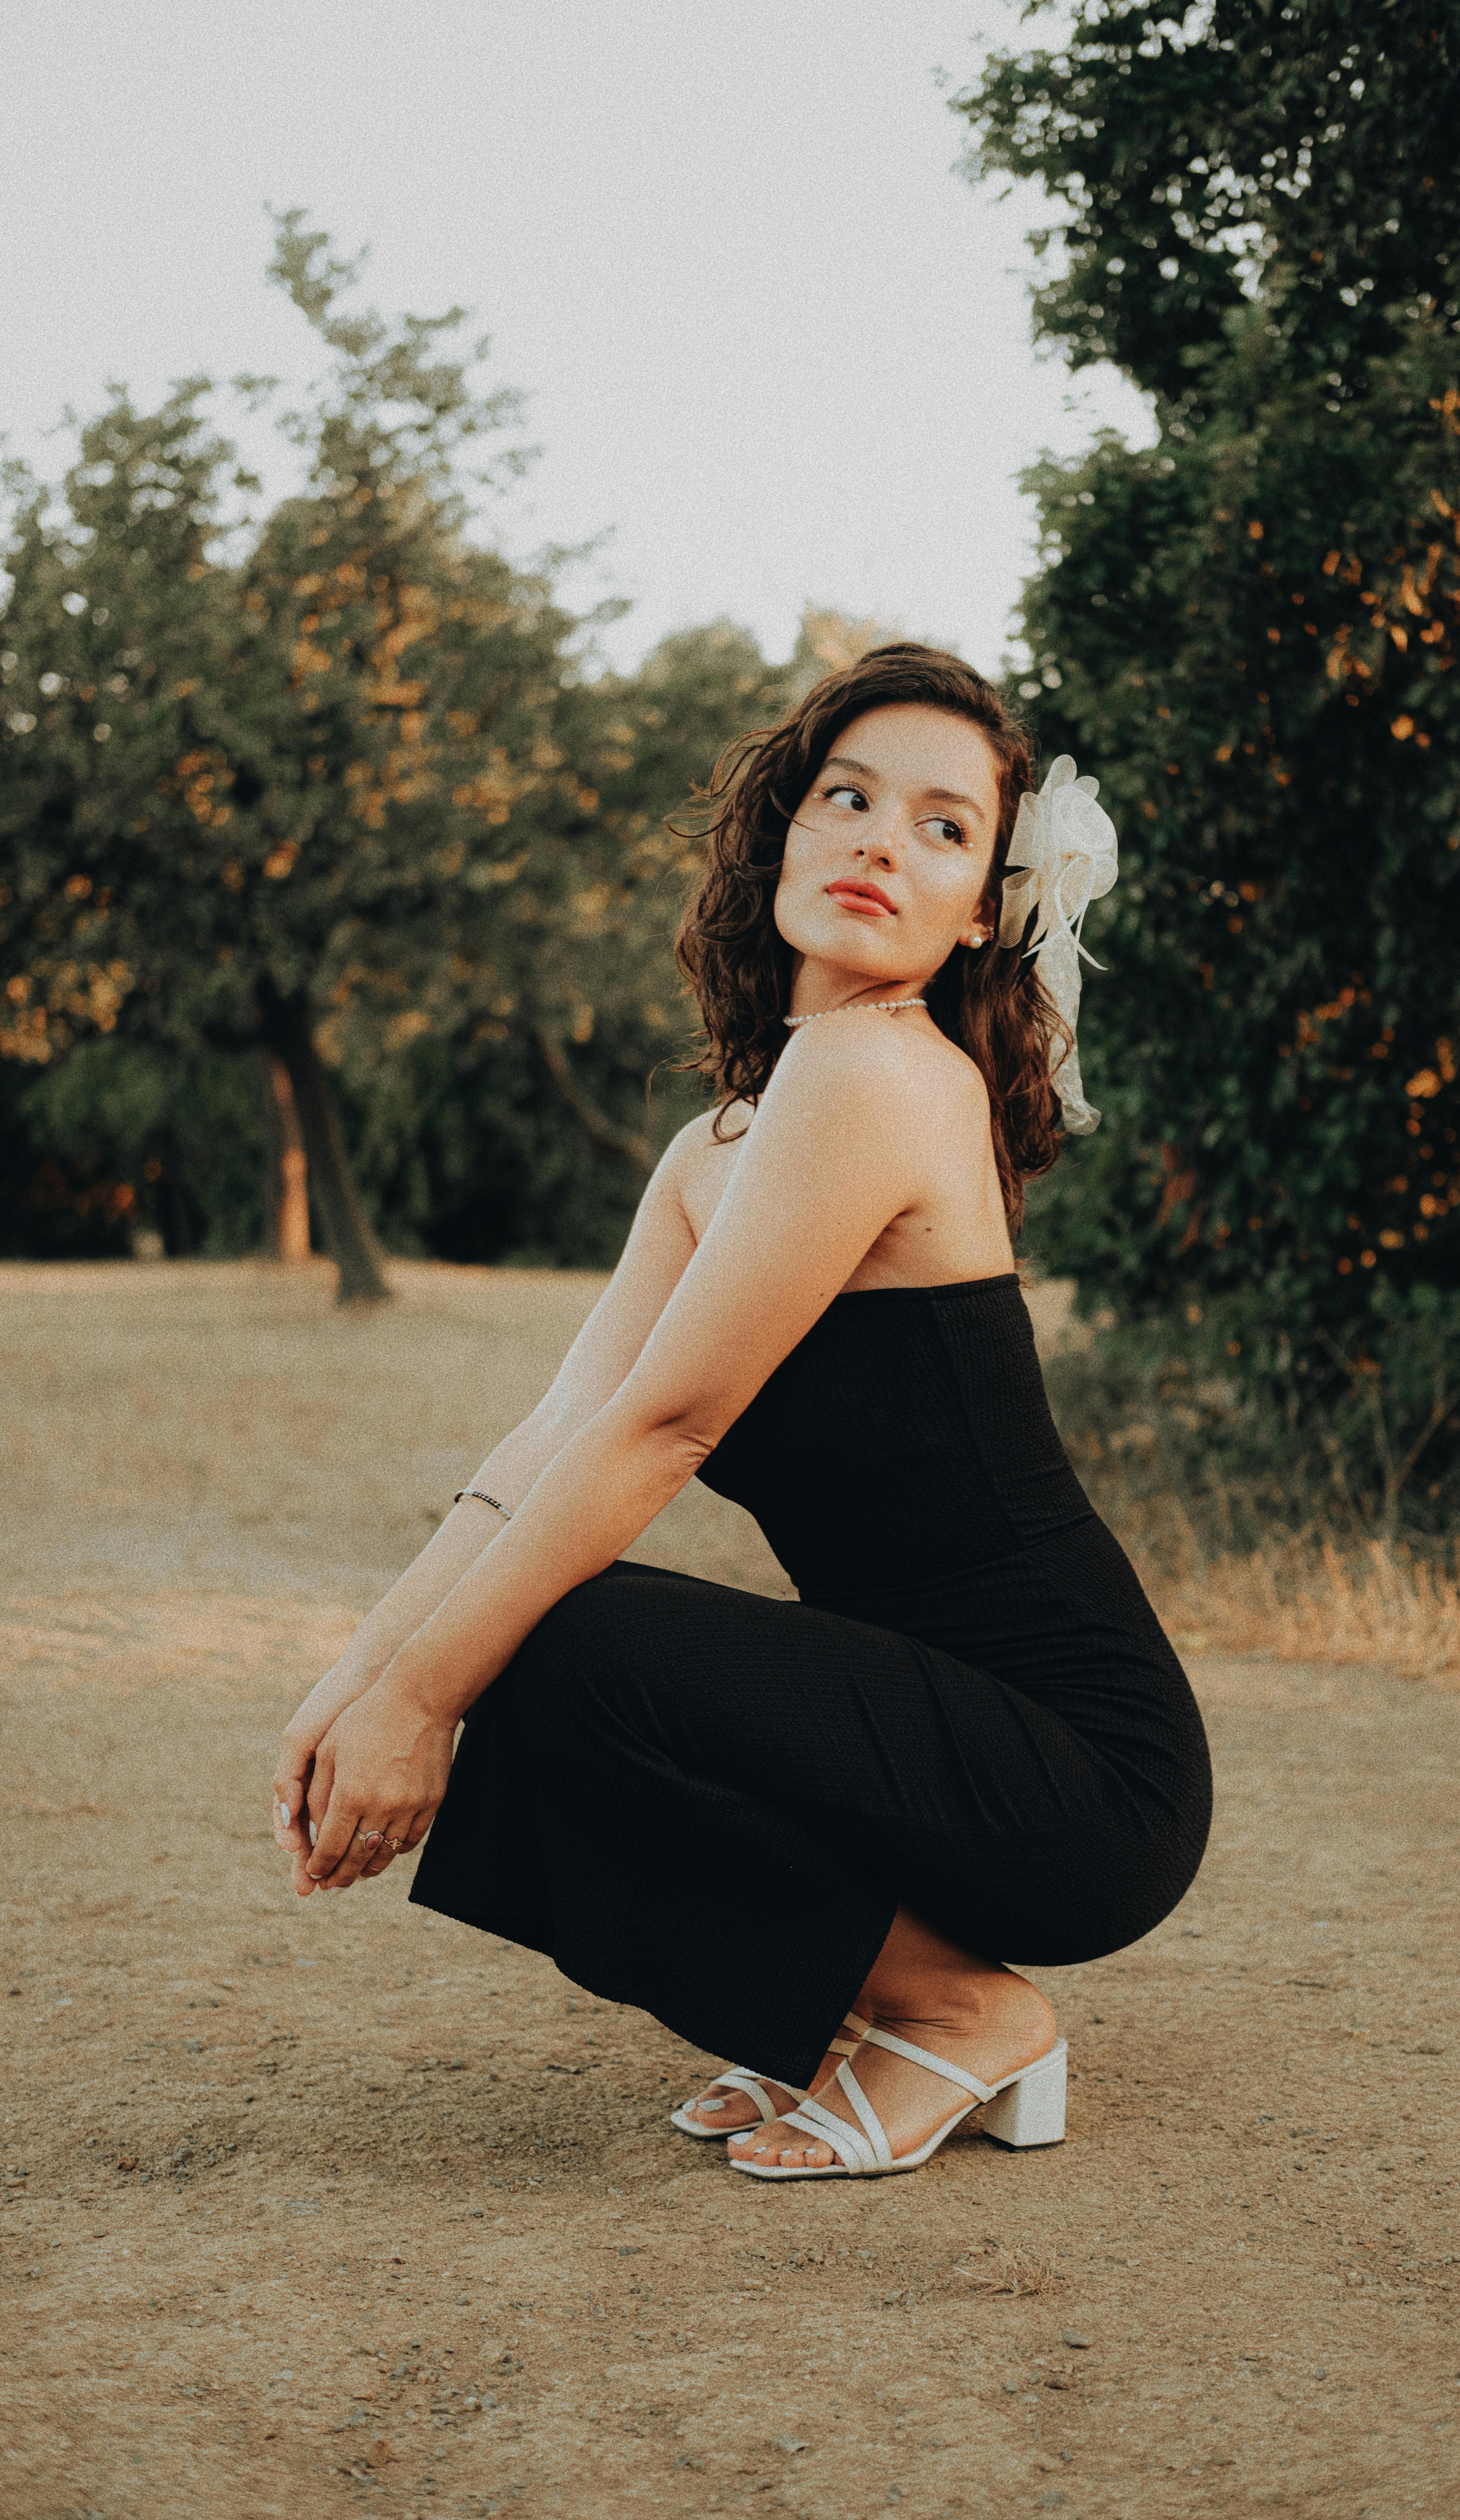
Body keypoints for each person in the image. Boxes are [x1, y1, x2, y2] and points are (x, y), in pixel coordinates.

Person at [271, 644, 1211, 2182]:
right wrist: (365, 1673)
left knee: (554, 1637)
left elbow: (660, 1434)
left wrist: (424, 1700)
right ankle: (861, 2008)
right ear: (784, 829)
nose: (876, 843)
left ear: (982, 911)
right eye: (845, 797)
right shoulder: (730, 1138)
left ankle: (958, 2012)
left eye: (940, 826)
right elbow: (565, 1421)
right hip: (926, 1742)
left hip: (1079, 1776)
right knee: (524, 1621)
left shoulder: (881, 1079)